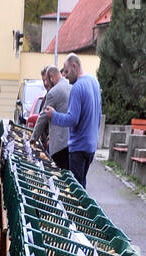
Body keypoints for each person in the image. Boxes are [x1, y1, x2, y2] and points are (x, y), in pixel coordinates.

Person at [45, 53, 102, 187]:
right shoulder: (94, 81)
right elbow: (98, 115)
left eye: (66, 71)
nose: (64, 75)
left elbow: (72, 119)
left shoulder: (77, 88)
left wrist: (54, 115)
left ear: (74, 66)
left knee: (75, 191)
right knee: (82, 187)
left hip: (78, 147)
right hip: (91, 146)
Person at [33, 64, 70, 170]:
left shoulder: (53, 93)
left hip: (58, 145)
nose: (45, 83)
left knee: (56, 174)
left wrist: (33, 138)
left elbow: (42, 118)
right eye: (43, 80)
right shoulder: (69, 86)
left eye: (47, 80)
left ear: (52, 77)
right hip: (69, 144)